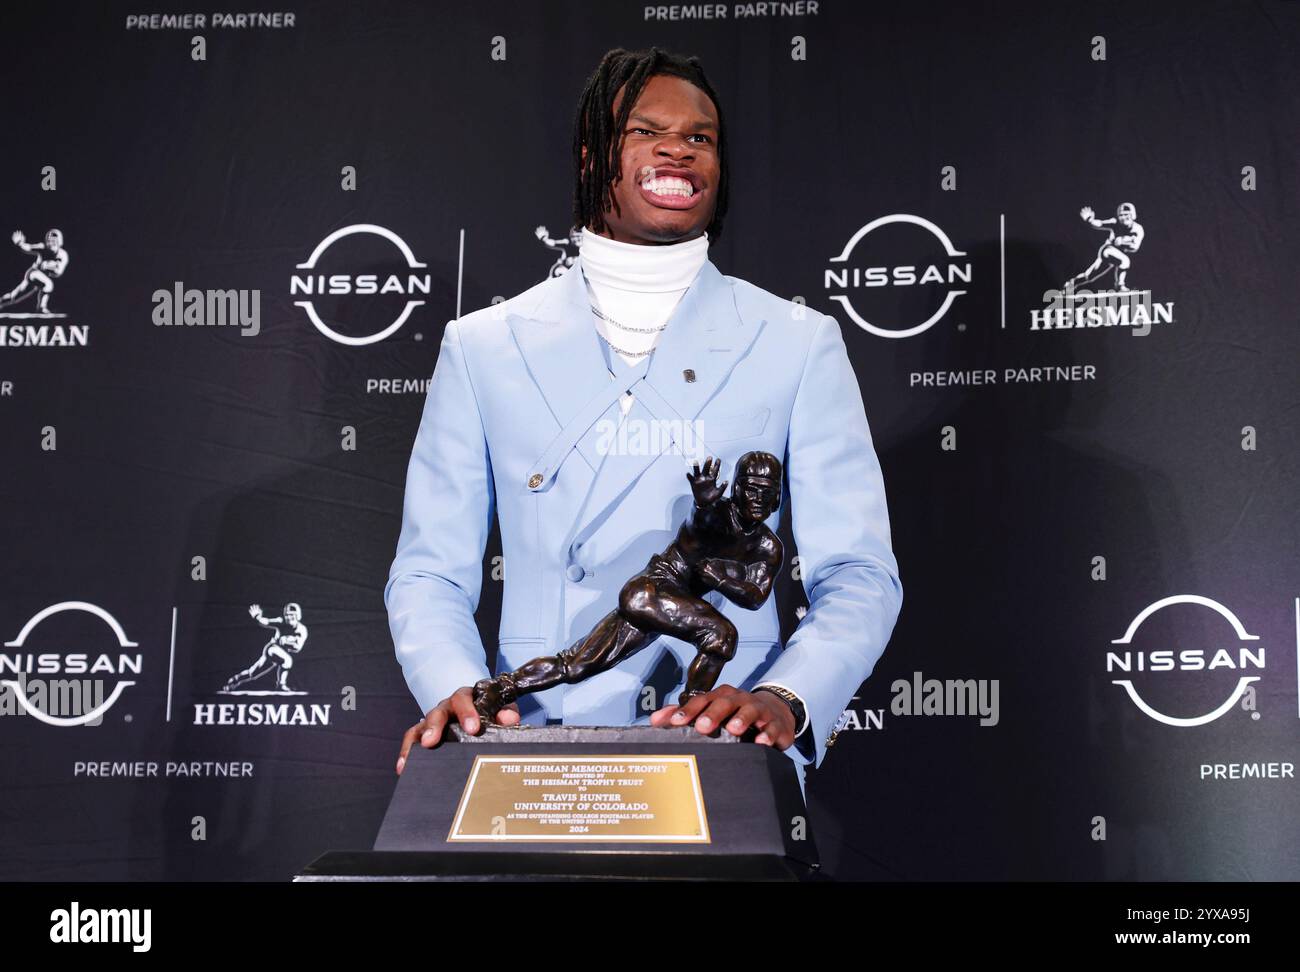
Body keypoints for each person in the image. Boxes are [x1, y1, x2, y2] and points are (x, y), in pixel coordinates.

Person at [389, 47, 903, 789]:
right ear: (594, 156)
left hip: (723, 751)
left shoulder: (796, 341)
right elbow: (429, 572)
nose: (678, 148)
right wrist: (461, 693)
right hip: (529, 748)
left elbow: (858, 573)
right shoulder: (482, 348)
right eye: (646, 130)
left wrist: (785, 696)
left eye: (701, 137)